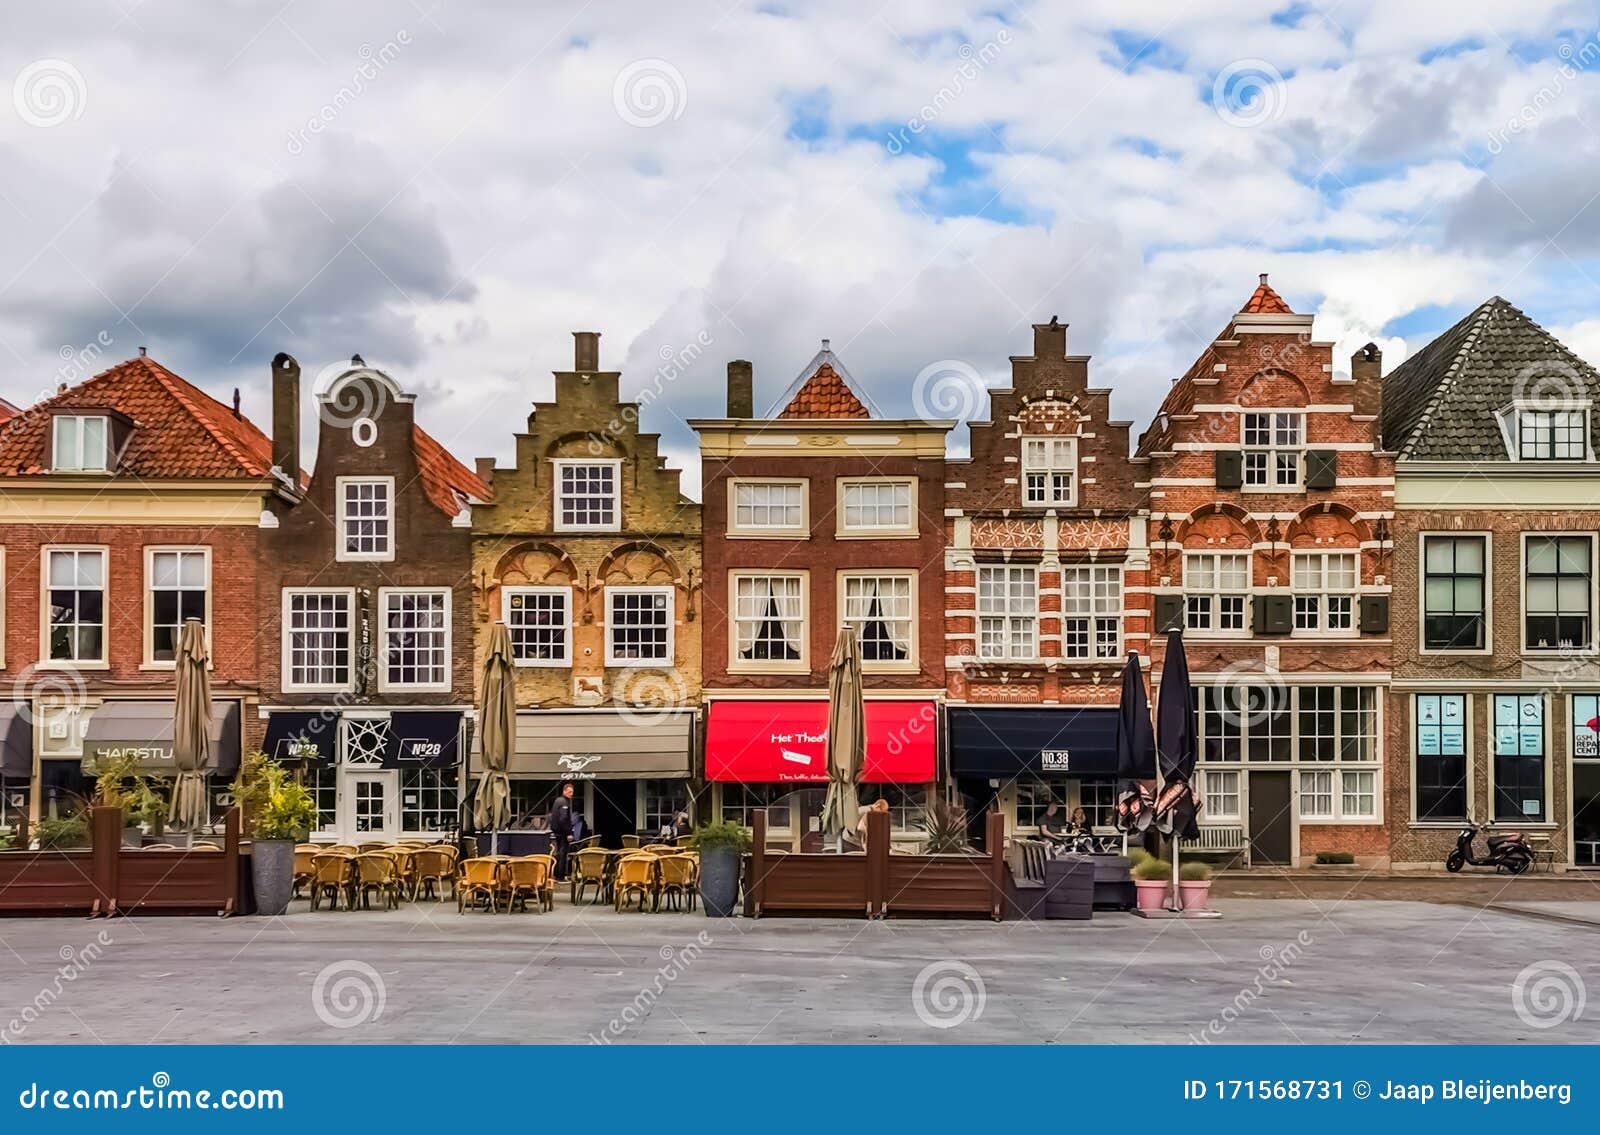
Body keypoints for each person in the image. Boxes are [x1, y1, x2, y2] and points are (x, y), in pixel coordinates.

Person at [548, 783, 575, 880]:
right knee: (563, 853)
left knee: (559, 853)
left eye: (572, 792)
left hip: (556, 831)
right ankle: (561, 876)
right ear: (564, 791)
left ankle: (556, 874)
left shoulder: (557, 801)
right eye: (569, 792)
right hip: (562, 832)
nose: (571, 794)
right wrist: (569, 832)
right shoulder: (564, 802)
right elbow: (563, 819)